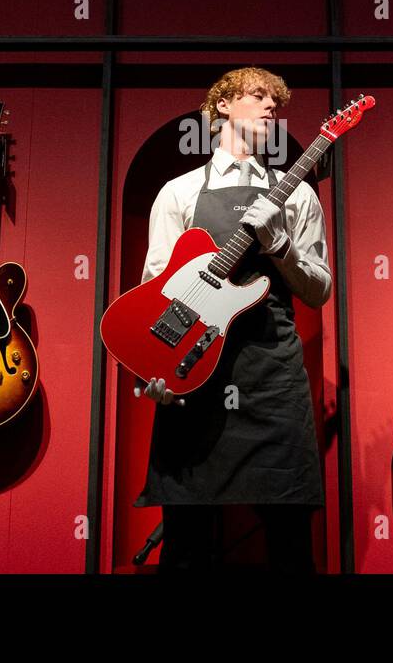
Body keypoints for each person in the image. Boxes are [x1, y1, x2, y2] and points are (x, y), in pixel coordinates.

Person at [133, 66, 333, 572]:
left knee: (290, 542)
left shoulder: (299, 196)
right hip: (196, 375)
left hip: (272, 377)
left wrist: (279, 245)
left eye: (277, 101)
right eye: (258, 96)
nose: (271, 107)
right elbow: (154, 291)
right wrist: (152, 368)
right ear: (222, 104)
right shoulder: (177, 193)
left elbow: (320, 289)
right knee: (188, 542)